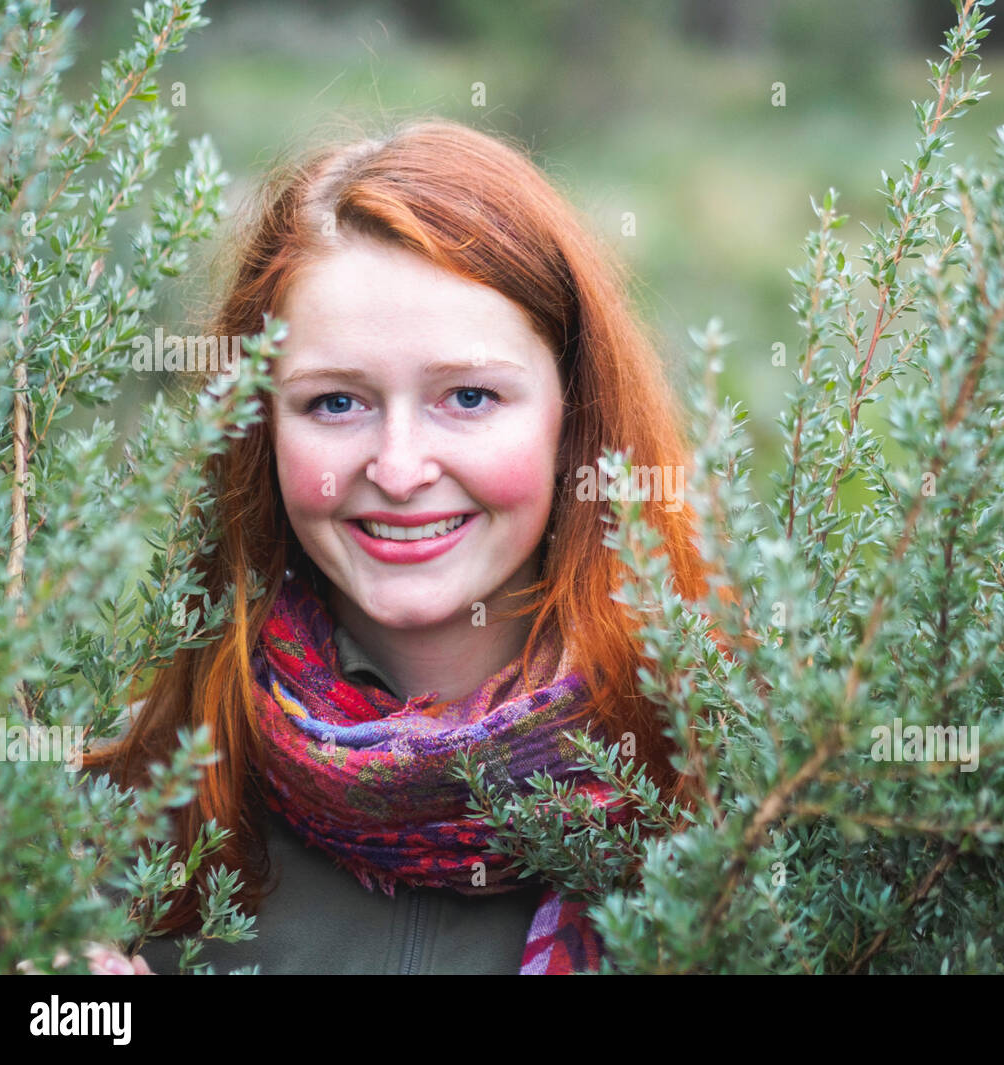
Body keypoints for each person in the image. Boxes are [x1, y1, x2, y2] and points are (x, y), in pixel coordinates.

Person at [84, 118, 725, 974]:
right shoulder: (113, 816)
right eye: (335, 403)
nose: (398, 467)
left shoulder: (732, 801)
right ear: (257, 431)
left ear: (575, 420)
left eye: (467, 395)